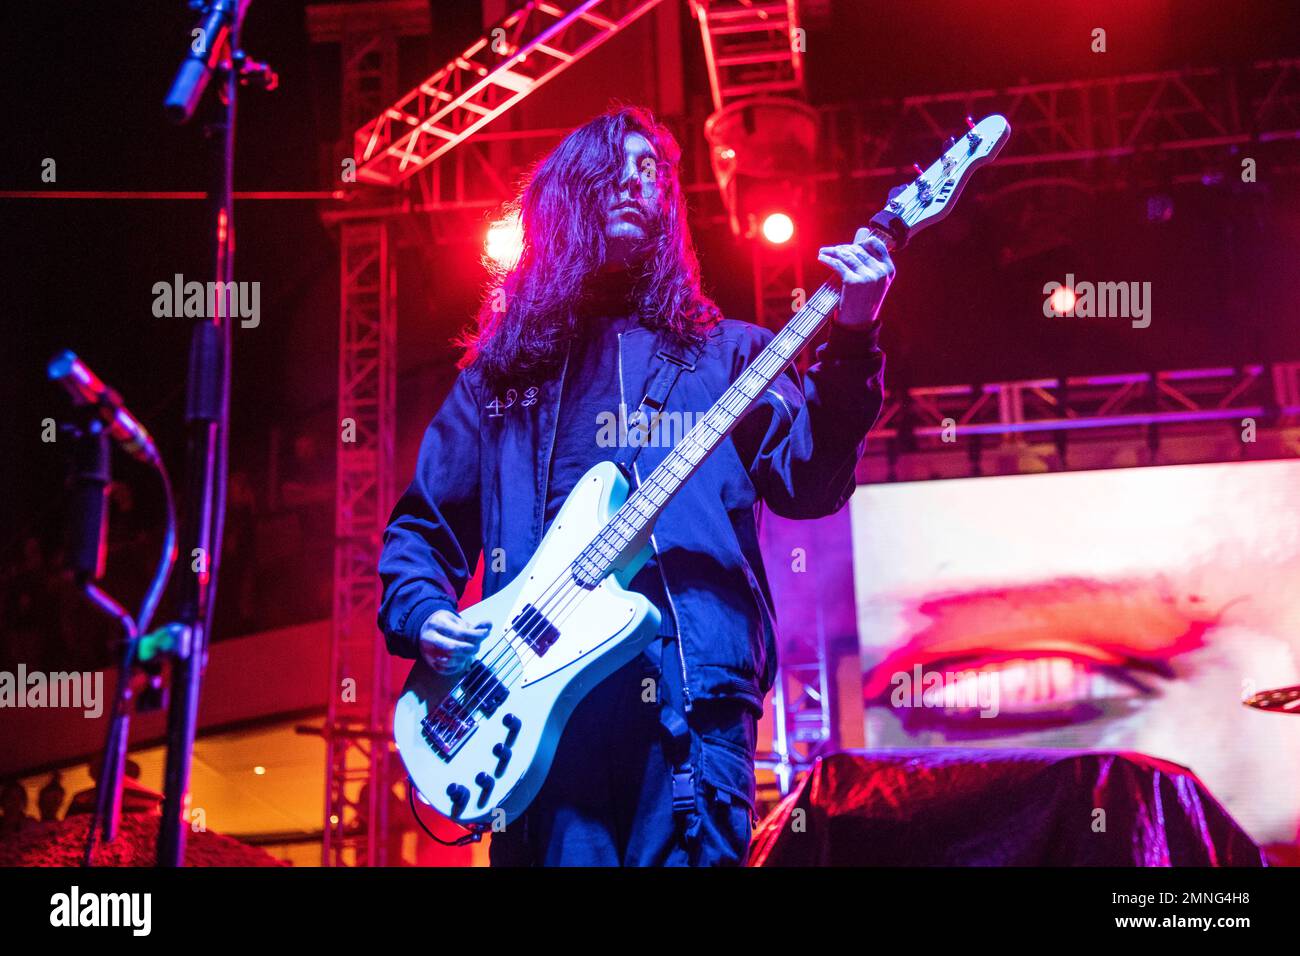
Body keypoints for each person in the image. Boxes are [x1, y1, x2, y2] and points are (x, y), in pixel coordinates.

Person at [378, 106, 892, 866]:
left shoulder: (731, 357)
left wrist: (851, 340)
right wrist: (422, 613)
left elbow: (809, 482)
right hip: (528, 708)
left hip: (689, 701)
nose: (631, 180)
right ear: (562, 199)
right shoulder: (501, 380)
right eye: (609, 167)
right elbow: (422, 531)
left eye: (650, 170)